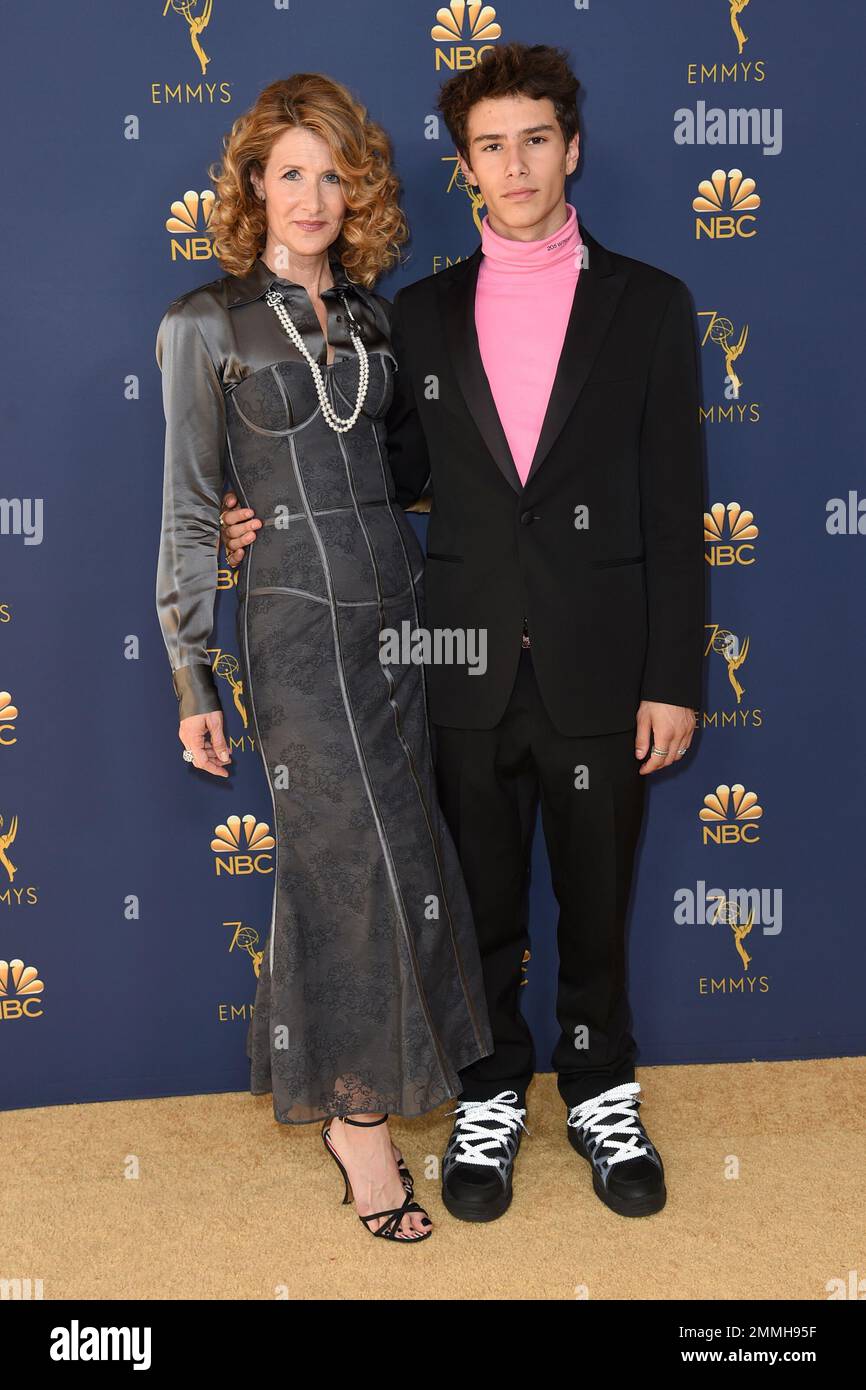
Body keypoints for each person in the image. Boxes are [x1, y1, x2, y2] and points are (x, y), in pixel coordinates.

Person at [221, 42, 706, 1223]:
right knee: (474, 903)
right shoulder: (421, 315)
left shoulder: (648, 304)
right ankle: (486, 1093)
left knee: (596, 902)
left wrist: (672, 676)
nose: (515, 164)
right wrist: (255, 508)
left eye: (534, 139)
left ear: (570, 149)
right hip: (456, 664)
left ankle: (599, 1090)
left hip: (602, 664)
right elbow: (380, 472)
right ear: (466, 167)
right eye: (490, 146)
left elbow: (674, 504)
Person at [154, 72, 494, 1244]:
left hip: (399, 611)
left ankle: (376, 1082)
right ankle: (358, 1125)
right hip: (293, 625)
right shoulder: (203, 322)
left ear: (359, 193)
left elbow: (411, 471)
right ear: (253, 185)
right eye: (288, 172)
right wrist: (192, 671)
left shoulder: (377, 323)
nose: (311, 196)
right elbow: (188, 504)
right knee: (345, 860)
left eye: (332, 174)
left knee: (391, 853)